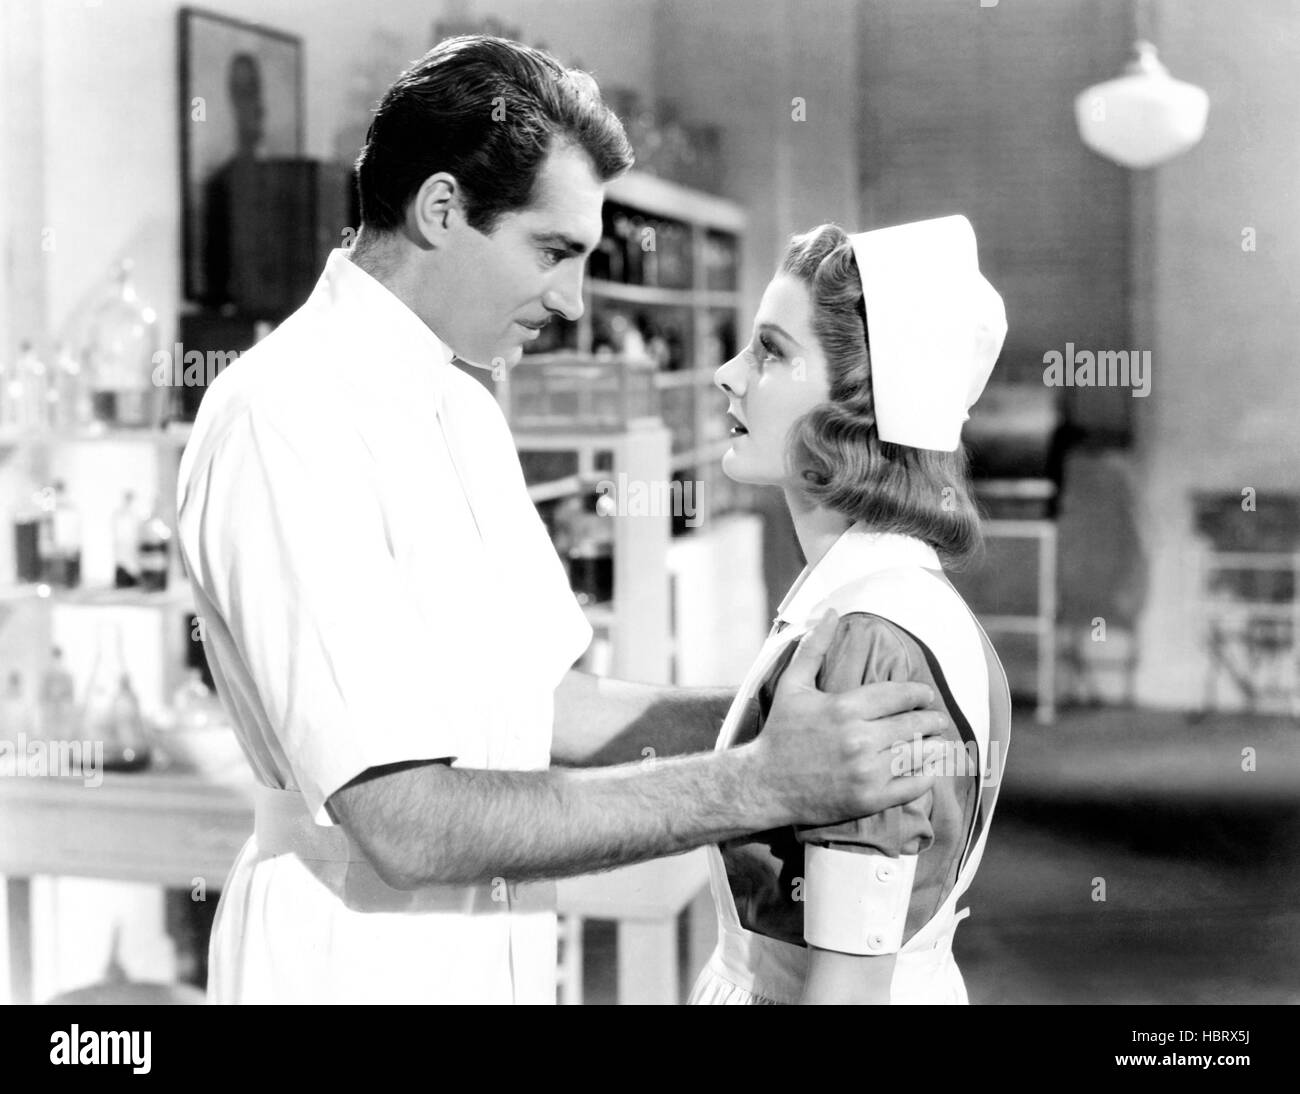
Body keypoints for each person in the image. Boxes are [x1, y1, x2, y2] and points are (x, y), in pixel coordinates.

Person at [176, 35, 949, 1005]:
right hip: (348, 964)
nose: (573, 300)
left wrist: (796, 701)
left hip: (490, 961)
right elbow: (402, 819)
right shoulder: (282, 416)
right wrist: (760, 779)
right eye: (552, 251)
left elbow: (557, 708)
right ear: (442, 209)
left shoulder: (462, 406)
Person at [689, 216, 1013, 1005]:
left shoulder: (872, 639)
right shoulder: (880, 594)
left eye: (771, 351)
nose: (729, 375)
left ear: (859, 407)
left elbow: (848, 987)